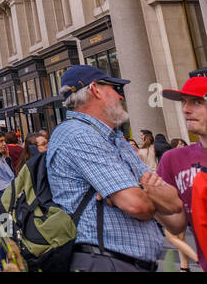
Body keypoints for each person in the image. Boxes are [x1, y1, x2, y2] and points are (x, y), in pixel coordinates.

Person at [47, 65, 182, 272]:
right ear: (96, 89)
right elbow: (138, 206)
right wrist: (144, 193)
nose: (121, 97)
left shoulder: (116, 139)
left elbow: (176, 212)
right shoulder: (79, 135)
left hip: (129, 264)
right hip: (103, 262)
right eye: (114, 88)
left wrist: (133, 190)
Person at [155, 74, 207, 269]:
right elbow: (177, 224)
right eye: (184, 102)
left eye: (197, 102)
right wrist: (152, 198)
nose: (185, 109)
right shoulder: (173, 159)